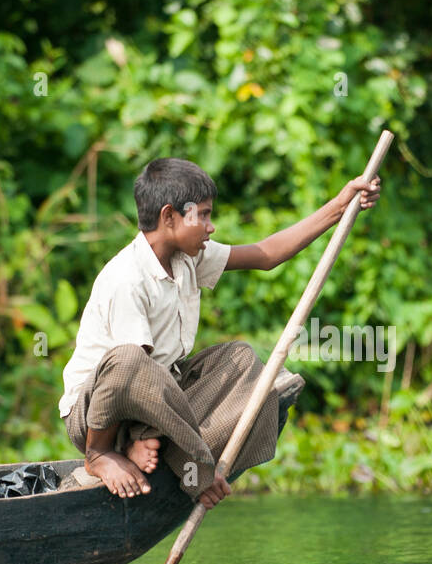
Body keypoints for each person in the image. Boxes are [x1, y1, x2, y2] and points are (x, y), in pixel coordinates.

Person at [58, 157, 381, 509]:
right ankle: (104, 454)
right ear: (169, 217)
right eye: (204, 215)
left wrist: (341, 204)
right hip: (99, 416)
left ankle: (162, 452)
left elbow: (267, 254)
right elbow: (132, 378)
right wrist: (131, 439)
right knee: (129, 358)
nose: (211, 227)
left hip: (154, 404)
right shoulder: (127, 279)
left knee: (240, 360)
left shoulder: (187, 257)